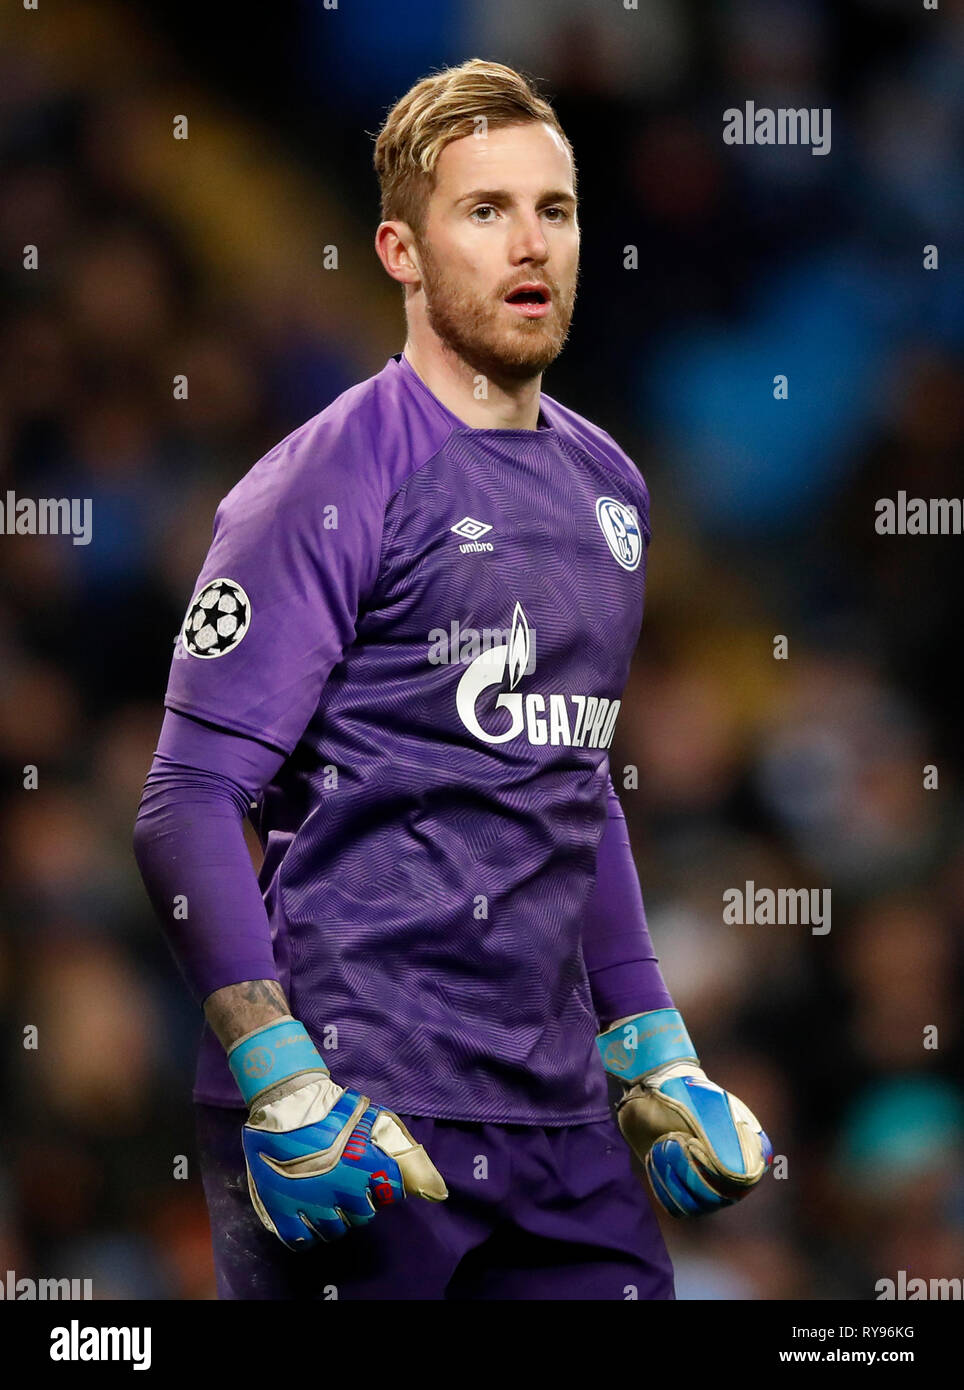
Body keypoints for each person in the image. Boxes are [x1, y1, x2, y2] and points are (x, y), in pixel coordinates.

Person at [134, 58, 771, 1301]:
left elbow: (568, 788)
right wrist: (283, 1080)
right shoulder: (324, 481)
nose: (529, 243)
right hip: (361, 1115)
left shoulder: (612, 493)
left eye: (554, 209)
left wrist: (651, 1052)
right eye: (484, 211)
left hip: (557, 1117)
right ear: (401, 251)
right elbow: (186, 804)